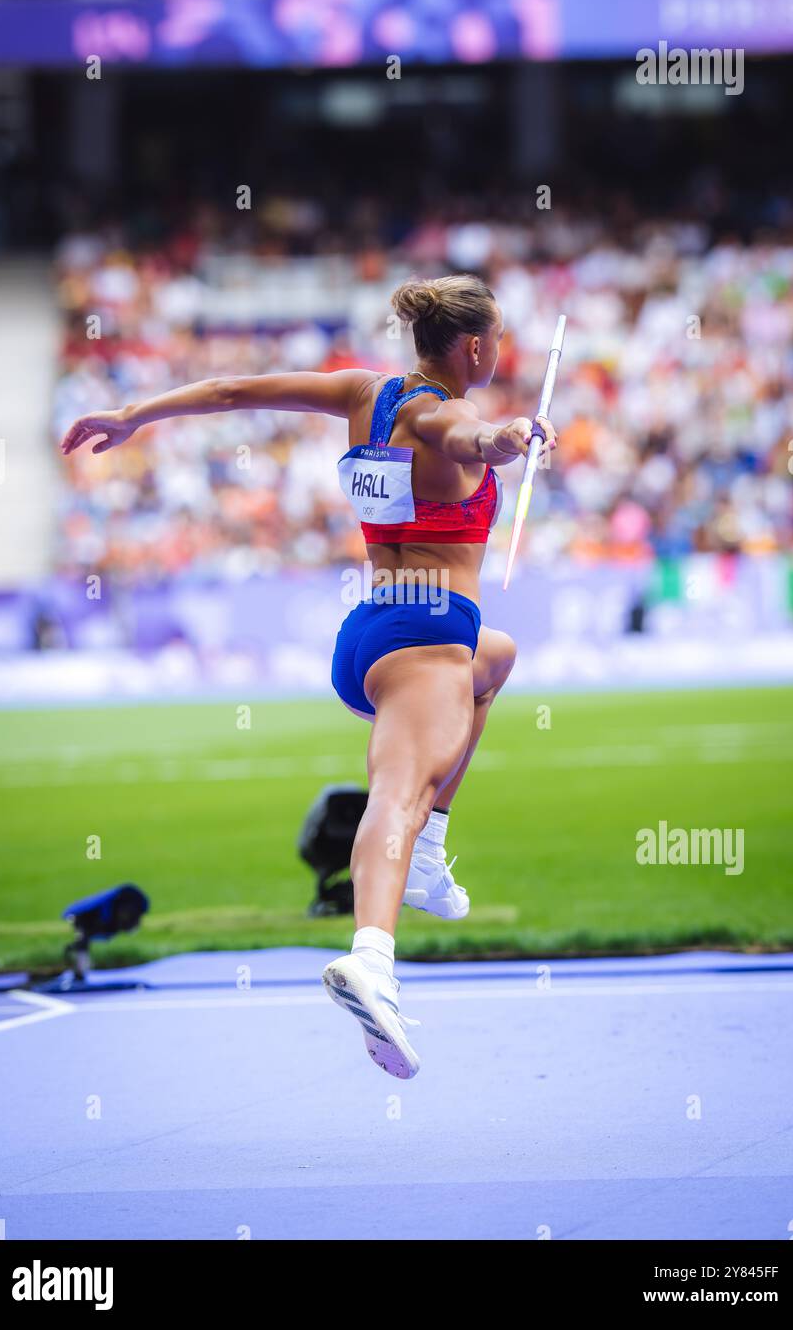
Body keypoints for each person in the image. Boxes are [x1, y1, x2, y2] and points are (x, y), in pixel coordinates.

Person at [61, 273, 557, 1079]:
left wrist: (133, 415)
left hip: (367, 636)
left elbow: (231, 390)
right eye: (495, 340)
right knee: (398, 789)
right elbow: (467, 438)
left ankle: (427, 853)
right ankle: (372, 961)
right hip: (425, 635)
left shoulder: (365, 392)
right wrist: (506, 439)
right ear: (473, 347)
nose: (498, 352)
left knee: (496, 660)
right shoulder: (450, 411)